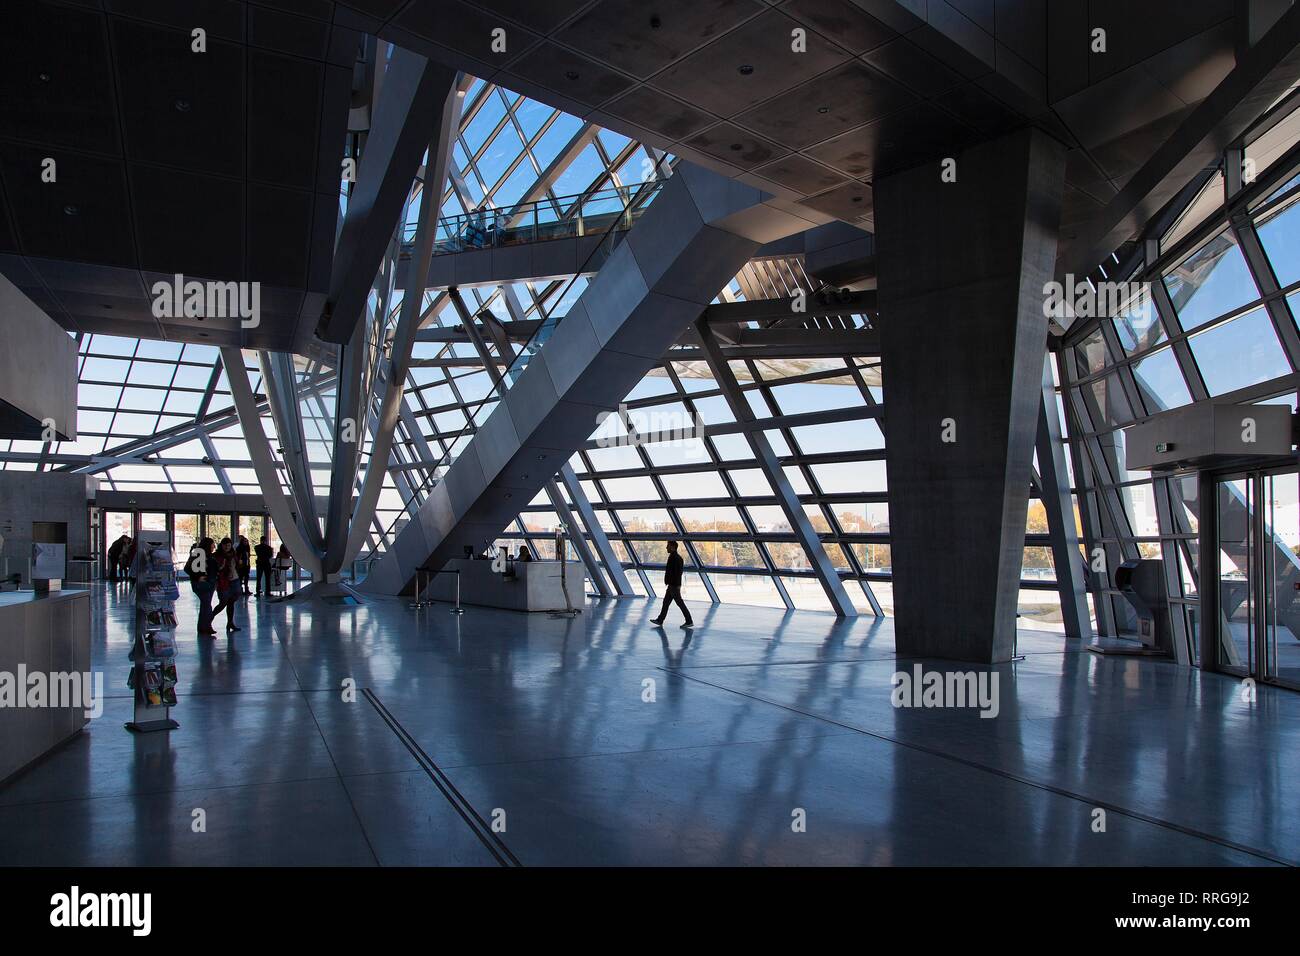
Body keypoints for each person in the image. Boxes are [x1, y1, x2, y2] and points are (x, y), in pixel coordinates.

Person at [651, 540, 693, 628]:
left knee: (679, 603)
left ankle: (689, 621)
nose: (666, 548)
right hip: (673, 585)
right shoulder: (675, 557)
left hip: (673, 585)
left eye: (668, 546)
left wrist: (673, 584)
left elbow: (677, 573)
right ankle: (660, 620)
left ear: (673, 547)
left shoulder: (675, 558)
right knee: (666, 602)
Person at [210, 538, 242, 633]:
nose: (227, 547)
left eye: (228, 545)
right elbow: (215, 569)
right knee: (223, 603)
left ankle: (230, 623)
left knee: (231, 602)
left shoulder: (234, 554)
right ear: (222, 545)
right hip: (224, 581)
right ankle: (209, 619)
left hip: (234, 580)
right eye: (225, 545)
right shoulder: (217, 556)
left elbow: (237, 566)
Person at [186, 537, 217, 637]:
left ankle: (203, 627)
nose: (214, 546)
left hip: (209, 583)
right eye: (212, 544)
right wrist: (198, 577)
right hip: (202, 584)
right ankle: (206, 626)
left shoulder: (208, 555)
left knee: (205, 605)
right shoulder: (199, 554)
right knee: (207, 605)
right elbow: (187, 568)